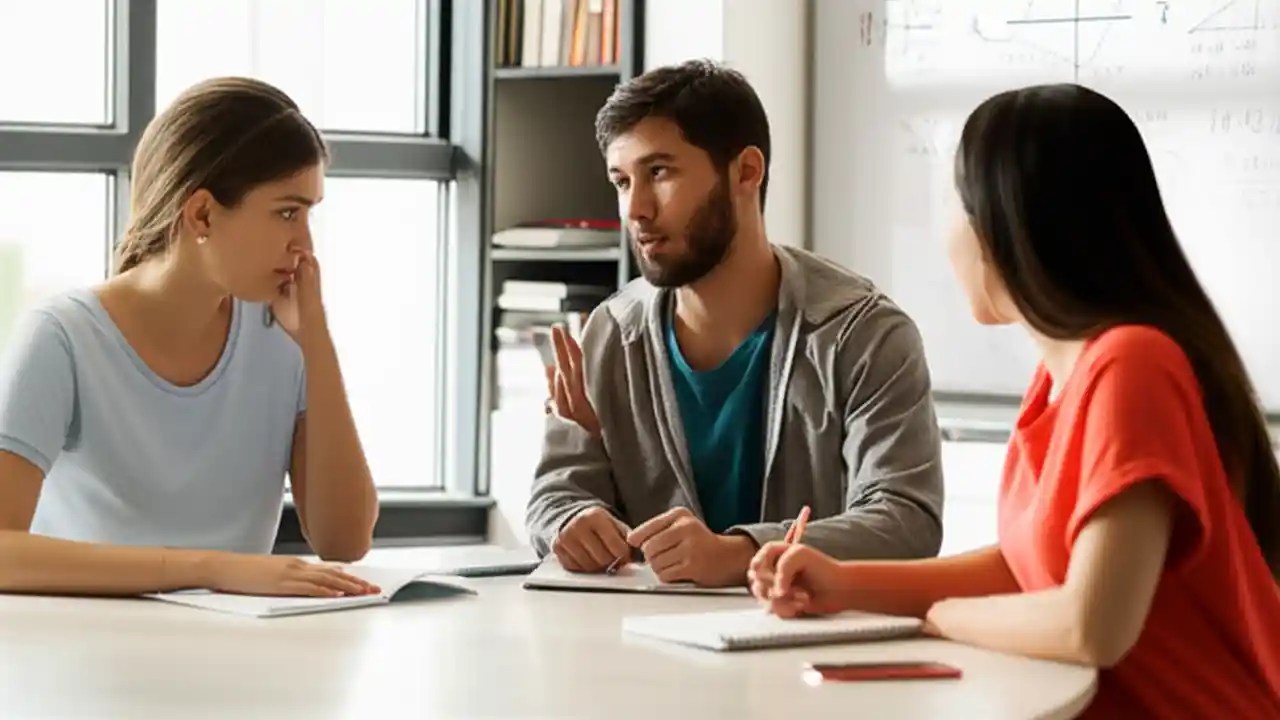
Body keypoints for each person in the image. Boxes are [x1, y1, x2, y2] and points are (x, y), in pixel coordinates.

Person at [749, 84, 1280, 717]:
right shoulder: (1059, 380)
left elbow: (1091, 626)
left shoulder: (1133, 364)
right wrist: (843, 583)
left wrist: (945, 618)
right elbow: (1026, 567)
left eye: (953, 202)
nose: (946, 235)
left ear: (1009, 219)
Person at [526, 59, 945, 588]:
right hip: (638, 652)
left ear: (746, 171)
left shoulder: (864, 335)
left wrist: (741, 551)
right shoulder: (610, 332)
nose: (636, 208)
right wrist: (570, 521)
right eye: (621, 180)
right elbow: (555, 496)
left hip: (807, 649)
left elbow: (907, 523)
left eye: (660, 172)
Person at [0, 77, 382, 599]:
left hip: (237, 658)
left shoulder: (282, 337)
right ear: (202, 213)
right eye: (287, 213)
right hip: (85, 660)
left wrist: (316, 341)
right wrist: (210, 567)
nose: (305, 244)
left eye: (310, 214)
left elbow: (345, 538)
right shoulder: (61, 337)